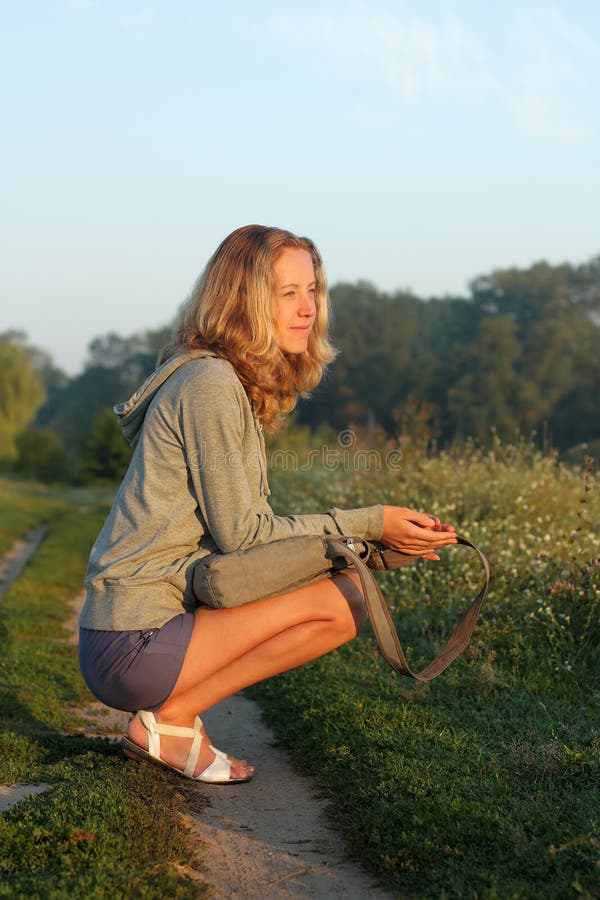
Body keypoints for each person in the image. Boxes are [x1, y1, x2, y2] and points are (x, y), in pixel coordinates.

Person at [79, 224, 456, 784]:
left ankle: (170, 718)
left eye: (313, 291)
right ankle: (171, 718)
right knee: (340, 602)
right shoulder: (209, 384)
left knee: (350, 597)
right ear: (244, 302)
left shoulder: (223, 381)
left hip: (145, 632)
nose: (308, 309)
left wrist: (373, 546)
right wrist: (371, 521)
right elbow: (246, 537)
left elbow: (246, 546)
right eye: (289, 293)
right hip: (132, 640)